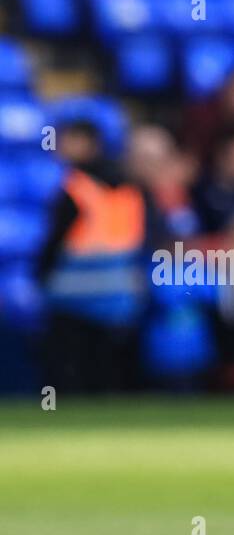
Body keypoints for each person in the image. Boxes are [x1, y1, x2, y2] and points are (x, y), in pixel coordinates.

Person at [36, 119, 152, 393]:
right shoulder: (131, 190)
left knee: (70, 382)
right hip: (120, 301)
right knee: (109, 381)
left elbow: (53, 243)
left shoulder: (74, 188)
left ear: (87, 144)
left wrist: (40, 278)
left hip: (72, 301)